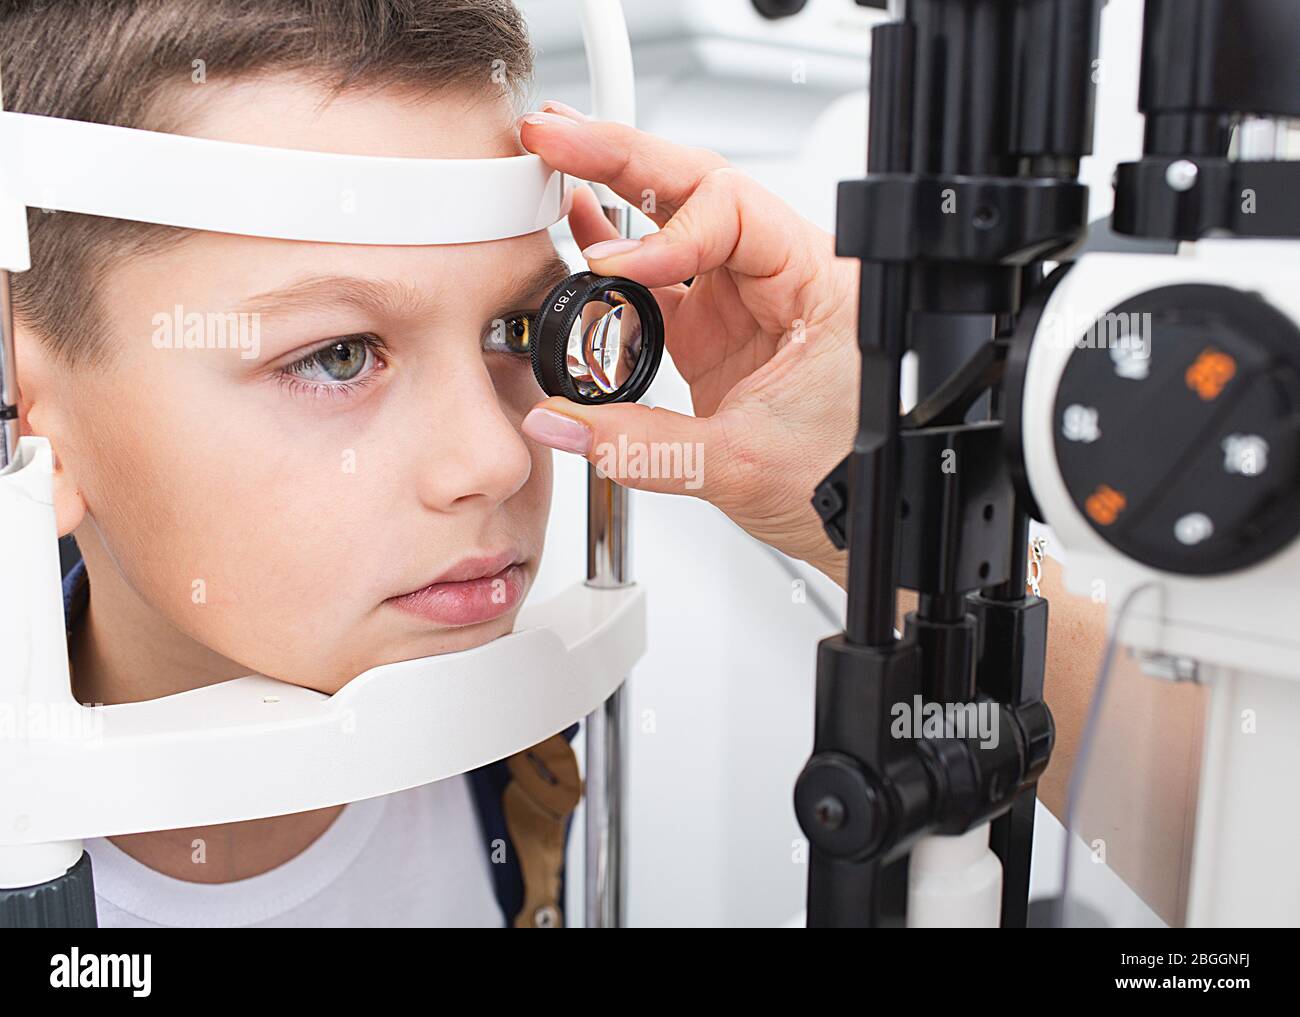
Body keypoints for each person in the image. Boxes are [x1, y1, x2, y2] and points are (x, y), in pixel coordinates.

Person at [7, 0, 1152, 928]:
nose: (494, 456)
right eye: (337, 355)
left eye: (518, 331)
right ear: (25, 403)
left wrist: (882, 501)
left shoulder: (524, 766)